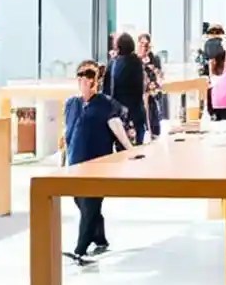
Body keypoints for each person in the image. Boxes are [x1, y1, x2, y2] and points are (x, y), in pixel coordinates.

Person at [63, 60, 133, 265]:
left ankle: (80, 250)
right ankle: (99, 238)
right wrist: (64, 159)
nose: (88, 81)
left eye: (92, 77)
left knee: (90, 204)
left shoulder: (106, 104)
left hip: (98, 165)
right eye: (84, 76)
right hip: (76, 163)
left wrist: (132, 151)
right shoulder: (71, 104)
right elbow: (67, 133)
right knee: (81, 202)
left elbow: (119, 129)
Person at [104, 33, 149, 145]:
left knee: (122, 150)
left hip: (119, 115)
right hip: (137, 113)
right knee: (138, 149)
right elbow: (141, 88)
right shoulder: (137, 63)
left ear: (118, 47)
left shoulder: (113, 64)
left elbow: (106, 91)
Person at [136, 33, 166, 140]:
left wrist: (155, 83)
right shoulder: (134, 60)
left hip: (151, 95)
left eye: (146, 44)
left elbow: (160, 76)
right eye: (142, 44)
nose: (144, 47)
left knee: (153, 120)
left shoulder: (154, 59)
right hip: (139, 97)